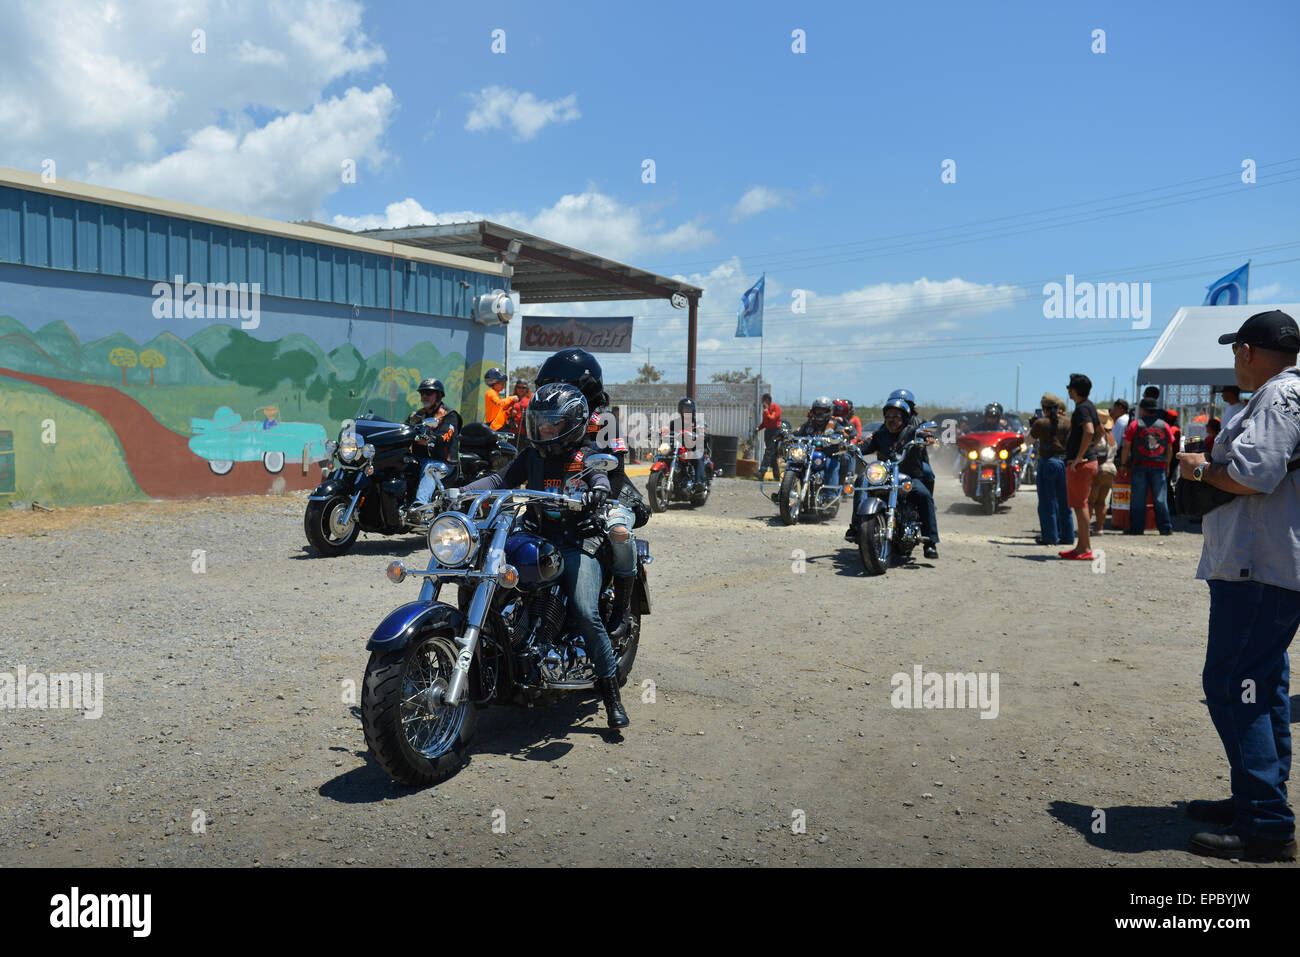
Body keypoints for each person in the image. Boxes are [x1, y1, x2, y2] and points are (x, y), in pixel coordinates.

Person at [1175, 308, 1300, 861]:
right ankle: (1257, 798)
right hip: (1271, 566)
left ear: (1247, 352)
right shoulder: (1287, 396)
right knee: (1263, 685)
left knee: (1233, 684)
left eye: (1235, 352)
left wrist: (1198, 468)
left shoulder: (1276, 399)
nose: (1234, 361)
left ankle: (1266, 824)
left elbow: (1253, 474)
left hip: (1258, 567)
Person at [459, 382, 629, 729]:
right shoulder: (532, 456)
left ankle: (611, 694)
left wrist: (598, 490)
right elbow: (499, 478)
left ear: (573, 424)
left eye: (553, 423)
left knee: (585, 609)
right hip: (536, 536)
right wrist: (460, 492)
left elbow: (599, 475)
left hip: (579, 542)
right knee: (485, 580)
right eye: (540, 422)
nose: (544, 429)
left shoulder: (582, 454)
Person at [535, 348, 639, 633]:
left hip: (604, 492)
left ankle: (622, 605)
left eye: (559, 386)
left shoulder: (603, 421)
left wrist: (606, 501)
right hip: (557, 494)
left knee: (619, 533)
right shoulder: (547, 417)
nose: (551, 394)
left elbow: (615, 469)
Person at [846, 397, 939, 559]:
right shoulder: (880, 434)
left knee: (924, 495)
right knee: (861, 480)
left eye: (896, 416)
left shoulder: (912, 432)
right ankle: (856, 526)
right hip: (885, 477)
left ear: (904, 417)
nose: (891, 420)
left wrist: (928, 438)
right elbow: (866, 446)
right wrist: (851, 447)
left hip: (909, 477)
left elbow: (925, 434)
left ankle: (930, 541)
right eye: (888, 416)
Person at [405, 378, 461, 509]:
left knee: (431, 468)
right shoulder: (417, 415)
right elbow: (405, 429)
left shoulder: (449, 415)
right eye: (422, 393)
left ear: (439, 395)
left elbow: (444, 437)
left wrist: (428, 439)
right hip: (419, 458)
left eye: (428, 393)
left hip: (443, 462)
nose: (424, 396)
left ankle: (421, 507)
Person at [1061, 373, 1100, 560]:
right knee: (1081, 504)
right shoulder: (1090, 406)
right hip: (1089, 462)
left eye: (1069, 387)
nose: (1068, 390)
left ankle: (1084, 549)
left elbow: (1090, 431)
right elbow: (1099, 433)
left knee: (1080, 505)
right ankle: (1081, 547)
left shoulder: (1082, 409)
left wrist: (1079, 457)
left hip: (1082, 465)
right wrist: (1090, 450)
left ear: (1074, 390)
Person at [1028, 393, 1073, 545]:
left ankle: (1050, 537)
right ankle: (1068, 537)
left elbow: (1028, 441)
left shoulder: (1041, 423)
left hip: (1047, 463)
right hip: (1065, 464)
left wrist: (1033, 425)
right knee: (1065, 503)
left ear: (1044, 409)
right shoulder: (1068, 422)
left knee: (1047, 503)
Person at [888, 388, 935, 494]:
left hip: (915, 461)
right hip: (891, 461)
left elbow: (926, 432)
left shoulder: (919, 422)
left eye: (903, 402)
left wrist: (928, 437)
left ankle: (927, 502)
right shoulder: (888, 422)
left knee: (928, 474)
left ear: (910, 406)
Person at [796, 396, 844, 496]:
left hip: (828, 455)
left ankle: (831, 495)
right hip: (809, 455)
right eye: (817, 410)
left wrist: (837, 437)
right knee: (795, 462)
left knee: (831, 464)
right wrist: (787, 435)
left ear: (828, 411)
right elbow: (798, 432)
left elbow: (841, 434)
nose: (819, 413)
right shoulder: (809, 424)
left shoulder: (833, 424)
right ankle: (784, 492)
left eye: (822, 411)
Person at [1090, 409, 1117, 534]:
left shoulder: (1100, 436)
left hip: (1100, 469)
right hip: (1111, 469)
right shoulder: (1112, 436)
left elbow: (1094, 449)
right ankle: (1099, 528)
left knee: (1090, 501)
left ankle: (1085, 529)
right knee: (1102, 502)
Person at [755, 392, 783, 481]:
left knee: (768, 452)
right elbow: (765, 423)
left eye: (764, 400)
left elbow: (772, 419)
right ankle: (777, 476)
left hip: (775, 432)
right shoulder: (765, 410)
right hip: (768, 432)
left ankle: (761, 472)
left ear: (768, 400)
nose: (762, 402)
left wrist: (766, 410)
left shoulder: (776, 408)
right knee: (772, 455)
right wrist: (758, 428)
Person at [505, 379, 532, 444]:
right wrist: (510, 412)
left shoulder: (531, 399)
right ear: (516, 388)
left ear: (527, 389)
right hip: (513, 432)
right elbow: (504, 412)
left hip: (526, 433)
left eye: (523, 387)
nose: (521, 389)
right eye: (519, 387)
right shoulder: (511, 399)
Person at [1109, 398, 1130, 464]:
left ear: (1120, 408)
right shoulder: (1128, 418)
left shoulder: (1121, 420)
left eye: (1114, 408)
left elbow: (1115, 443)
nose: (1112, 411)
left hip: (1120, 457)